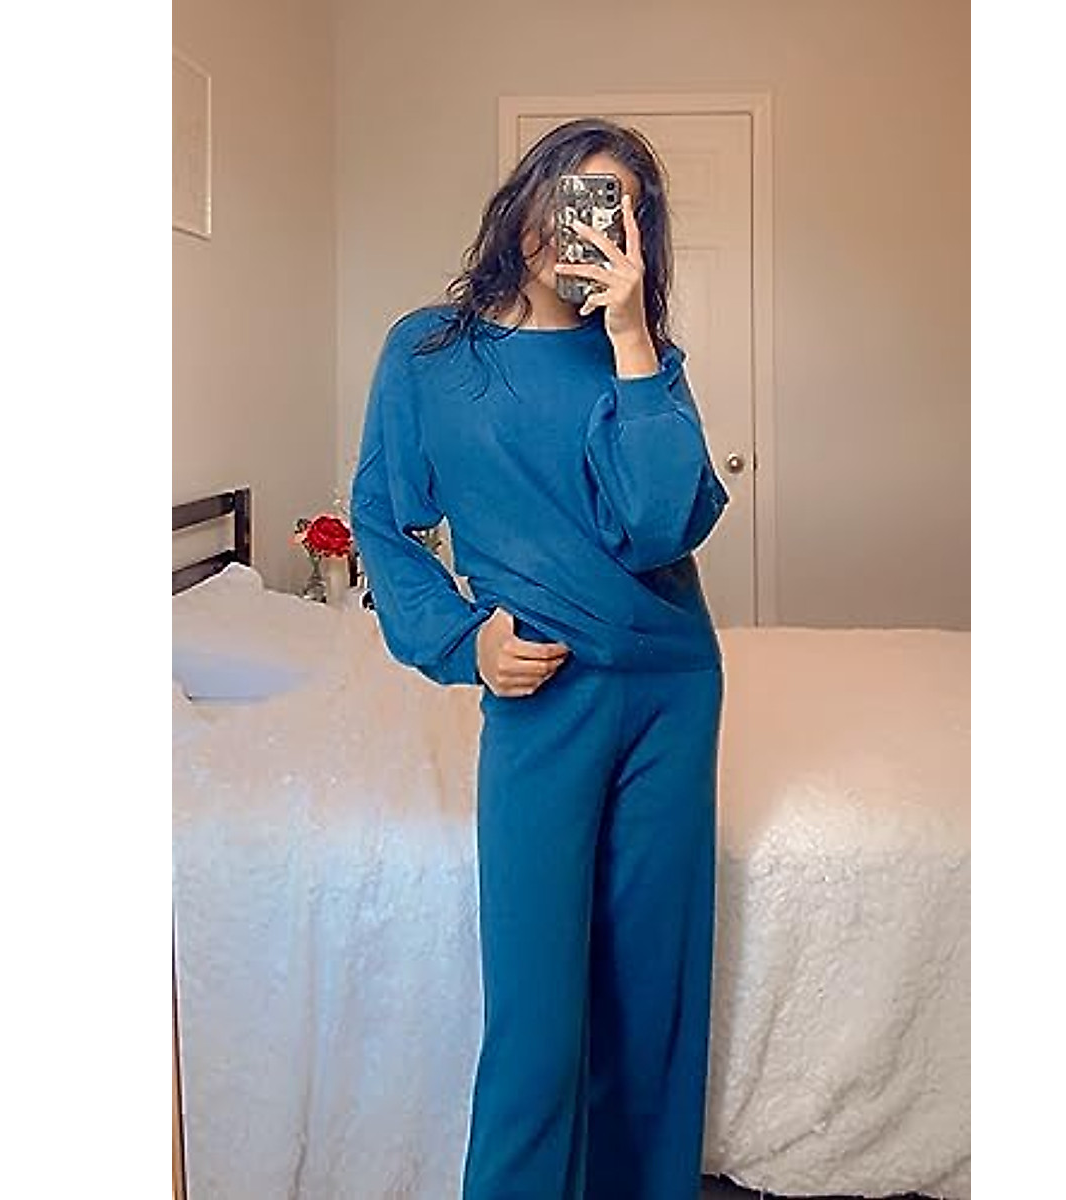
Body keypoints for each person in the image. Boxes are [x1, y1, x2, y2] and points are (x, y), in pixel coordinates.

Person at [350, 117, 730, 1200]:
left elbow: (658, 528)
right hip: (540, 692)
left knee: (651, 1000)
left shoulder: (645, 362)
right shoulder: (428, 353)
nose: (589, 225)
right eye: (576, 194)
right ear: (526, 202)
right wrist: (464, 640)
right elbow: (383, 521)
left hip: (671, 692)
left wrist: (634, 336)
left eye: (620, 211)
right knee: (537, 1019)